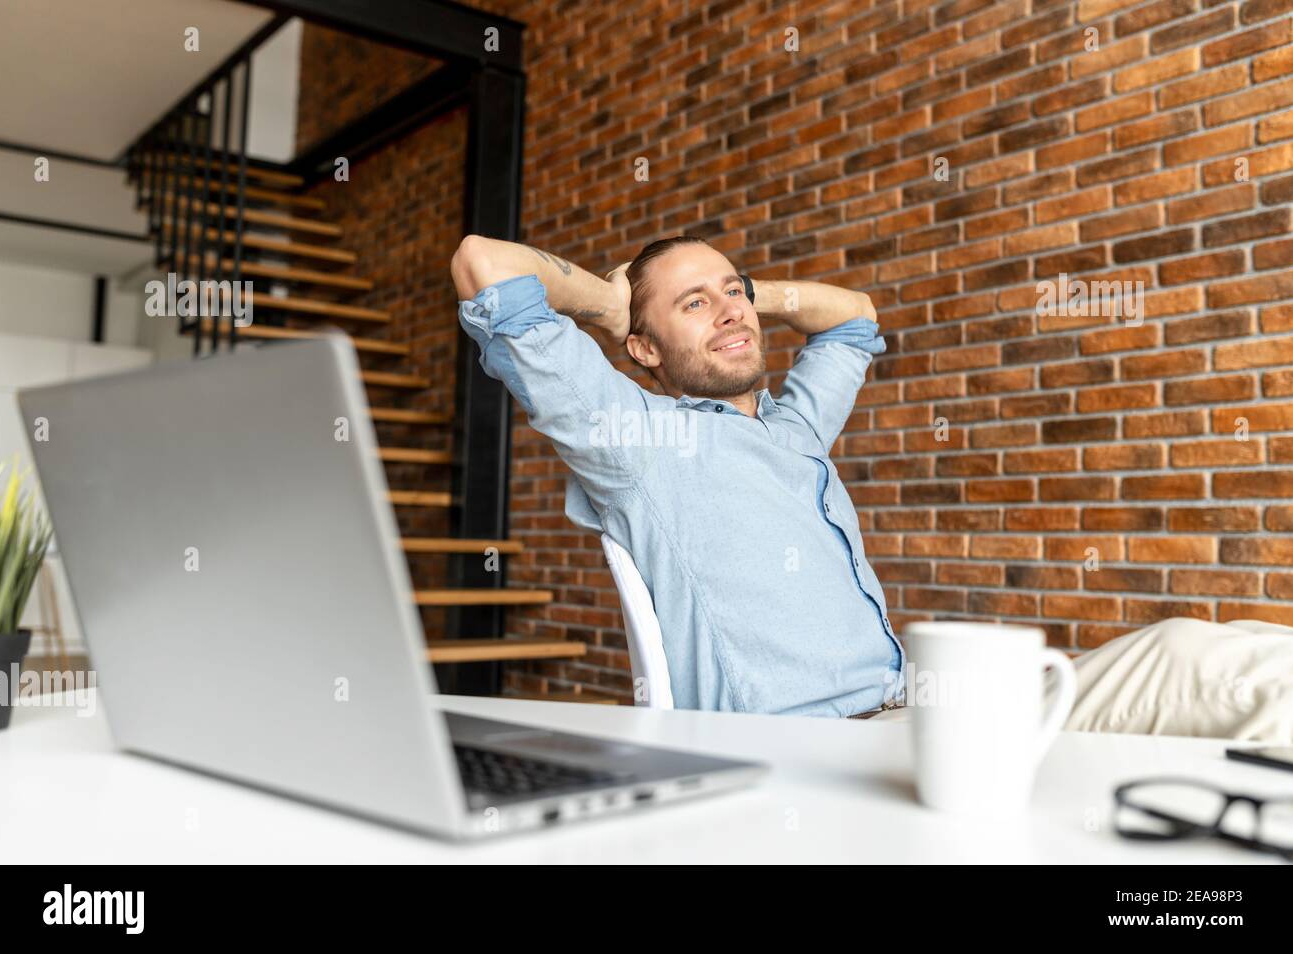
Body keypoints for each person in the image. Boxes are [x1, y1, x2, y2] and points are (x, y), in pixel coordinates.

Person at [451, 234, 1293, 741]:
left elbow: (852, 314)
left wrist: (749, 294)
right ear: (641, 349)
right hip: (826, 748)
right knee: (1209, 671)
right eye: (695, 305)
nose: (734, 312)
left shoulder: (791, 429)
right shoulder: (634, 436)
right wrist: (608, 300)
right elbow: (484, 263)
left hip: (924, 710)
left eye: (735, 293)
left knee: (1207, 657)